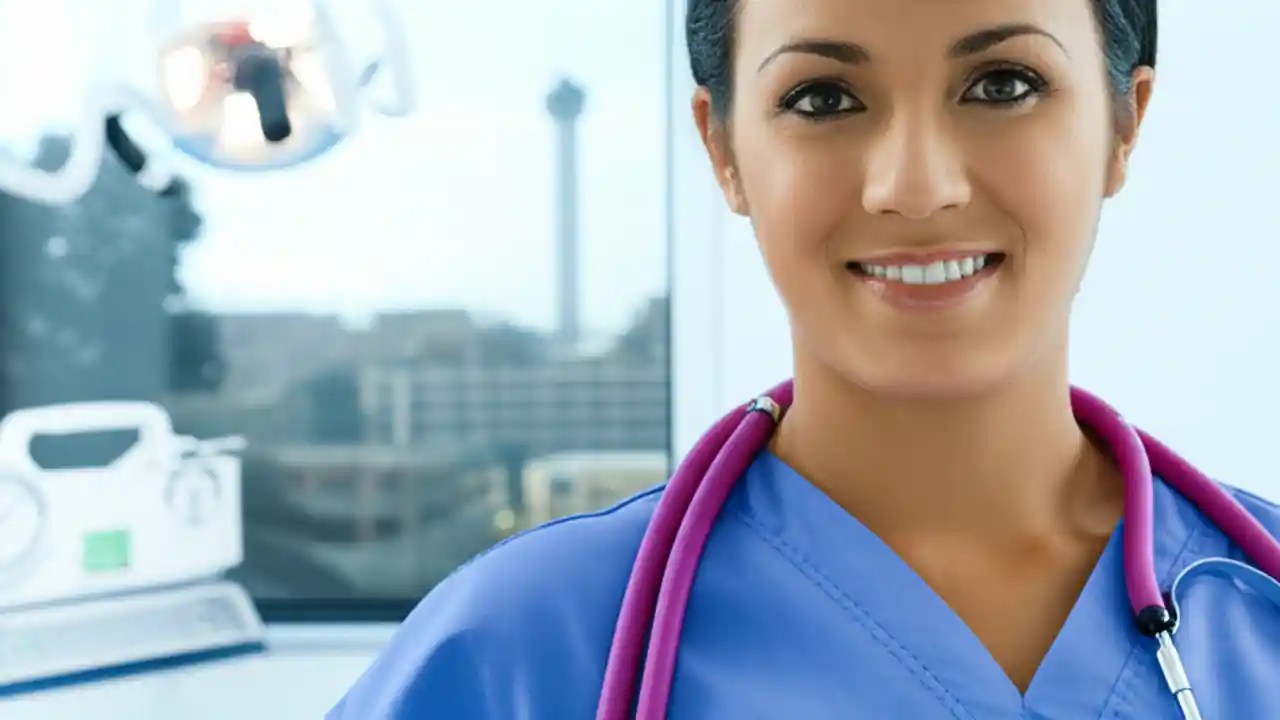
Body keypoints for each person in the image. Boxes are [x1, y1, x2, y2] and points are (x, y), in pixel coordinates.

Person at [329, 1, 1280, 717]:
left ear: (1126, 122)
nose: (916, 186)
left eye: (1002, 85)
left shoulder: (1256, 609)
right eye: (824, 98)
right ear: (724, 150)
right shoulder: (527, 644)